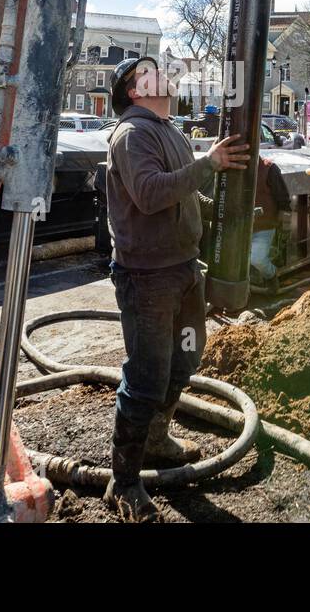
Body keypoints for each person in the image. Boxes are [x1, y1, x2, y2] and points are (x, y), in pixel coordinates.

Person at [102, 56, 249, 520]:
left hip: (184, 270)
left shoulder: (168, 129)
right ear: (133, 90)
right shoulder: (133, 133)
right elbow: (148, 194)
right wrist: (208, 163)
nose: (161, 71)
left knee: (184, 358)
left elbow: (180, 189)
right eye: (148, 69)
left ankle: (157, 438)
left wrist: (213, 193)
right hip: (148, 278)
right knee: (146, 376)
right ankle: (122, 483)